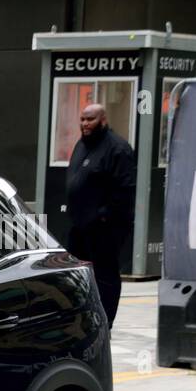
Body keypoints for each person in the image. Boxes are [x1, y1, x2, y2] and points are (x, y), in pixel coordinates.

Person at [65, 102, 135, 325]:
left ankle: (105, 322)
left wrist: (104, 215)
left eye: (90, 119)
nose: (85, 124)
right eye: (83, 119)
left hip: (106, 227)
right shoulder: (82, 145)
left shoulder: (118, 148)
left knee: (105, 275)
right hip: (80, 224)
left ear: (103, 121)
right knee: (75, 272)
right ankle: (81, 317)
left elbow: (125, 188)